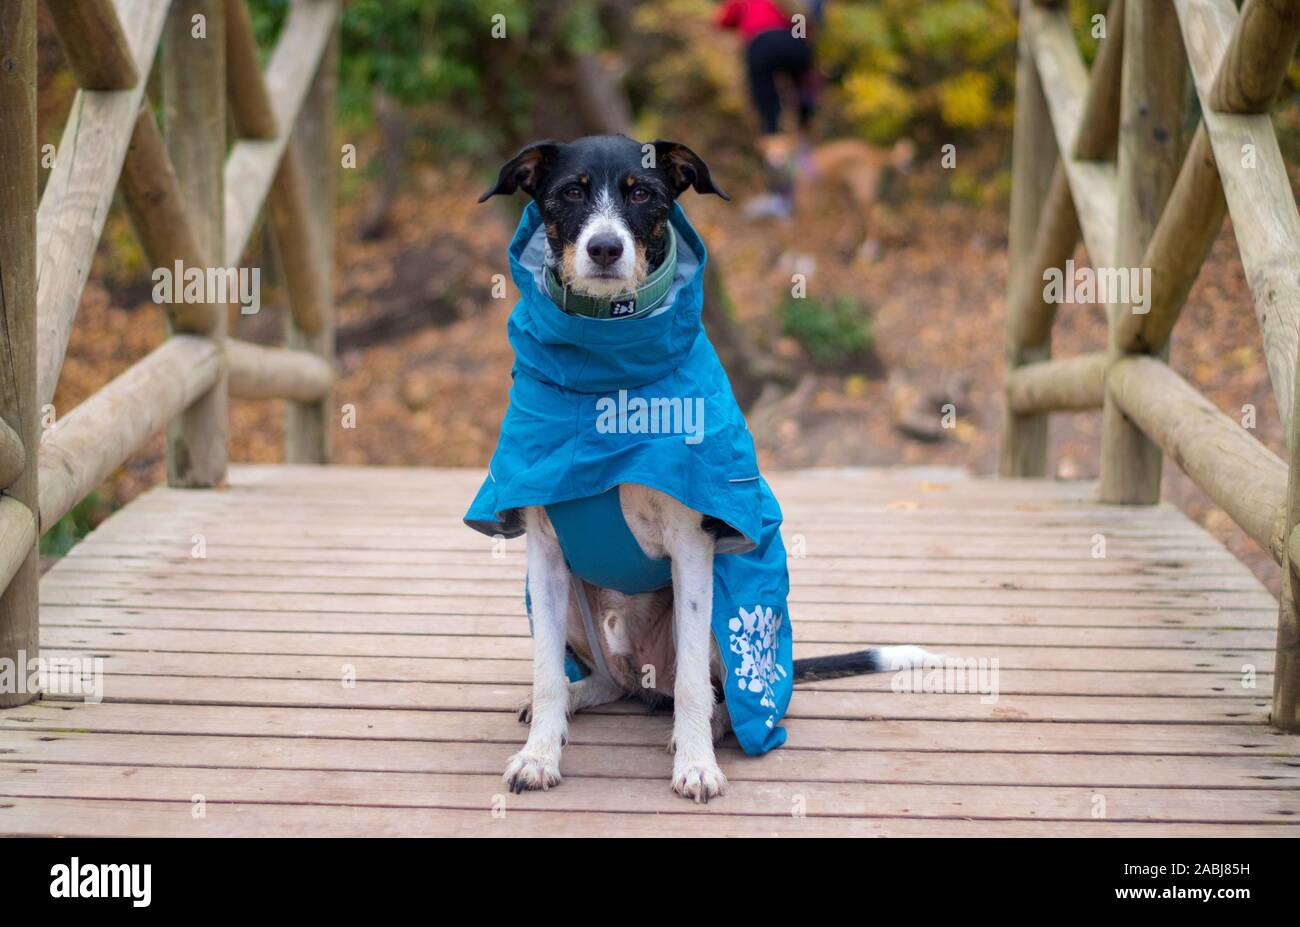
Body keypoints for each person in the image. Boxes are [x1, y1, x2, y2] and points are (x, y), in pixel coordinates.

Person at [715, 0, 823, 218]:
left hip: (760, 46)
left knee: (768, 110)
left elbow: (722, 20)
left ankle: (777, 164)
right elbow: (808, 22)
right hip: (797, 44)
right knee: (803, 93)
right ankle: (805, 134)